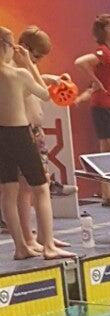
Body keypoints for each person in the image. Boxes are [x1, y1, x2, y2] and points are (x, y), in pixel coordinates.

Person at [0, 29, 67, 262]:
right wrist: (30, 64)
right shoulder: (18, 73)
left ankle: (21, 247)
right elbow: (45, 94)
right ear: (8, 46)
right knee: (41, 188)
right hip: (19, 134)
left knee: (8, 192)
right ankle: (48, 245)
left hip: (1, 136)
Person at [74, 12, 110, 207]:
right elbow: (80, 62)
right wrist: (96, 82)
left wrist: (93, 86)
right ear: (102, 31)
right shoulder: (103, 52)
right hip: (106, 106)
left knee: (106, 152)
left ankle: (108, 194)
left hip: (107, 105)